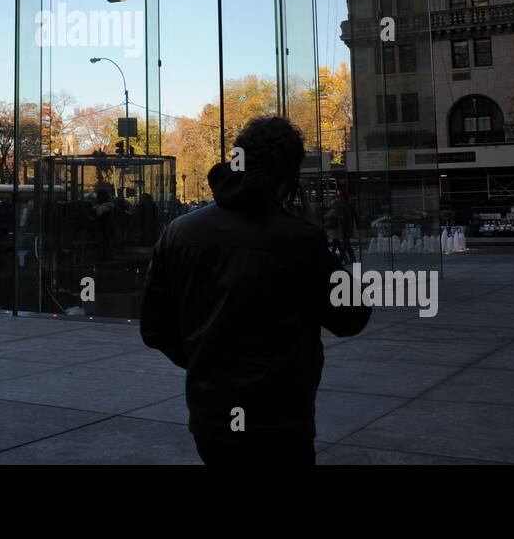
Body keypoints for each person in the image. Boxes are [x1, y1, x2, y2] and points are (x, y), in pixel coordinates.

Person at [140, 116, 372, 466]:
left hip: (211, 415)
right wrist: (316, 241)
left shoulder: (180, 232)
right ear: (288, 178)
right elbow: (351, 318)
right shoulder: (301, 240)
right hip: (281, 418)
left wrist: (204, 360)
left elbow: (155, 328)